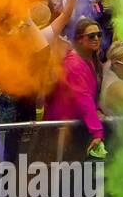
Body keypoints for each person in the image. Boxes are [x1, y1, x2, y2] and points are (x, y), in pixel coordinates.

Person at [44, 18, 106, 157]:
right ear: (79, 40)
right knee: (59, 171)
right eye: (91, 36)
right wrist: (97, 131)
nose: (96, 38)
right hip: (62, 130)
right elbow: (83, 98)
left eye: (99, 34)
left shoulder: (88, 60)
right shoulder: (74, 65)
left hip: (72, 128)